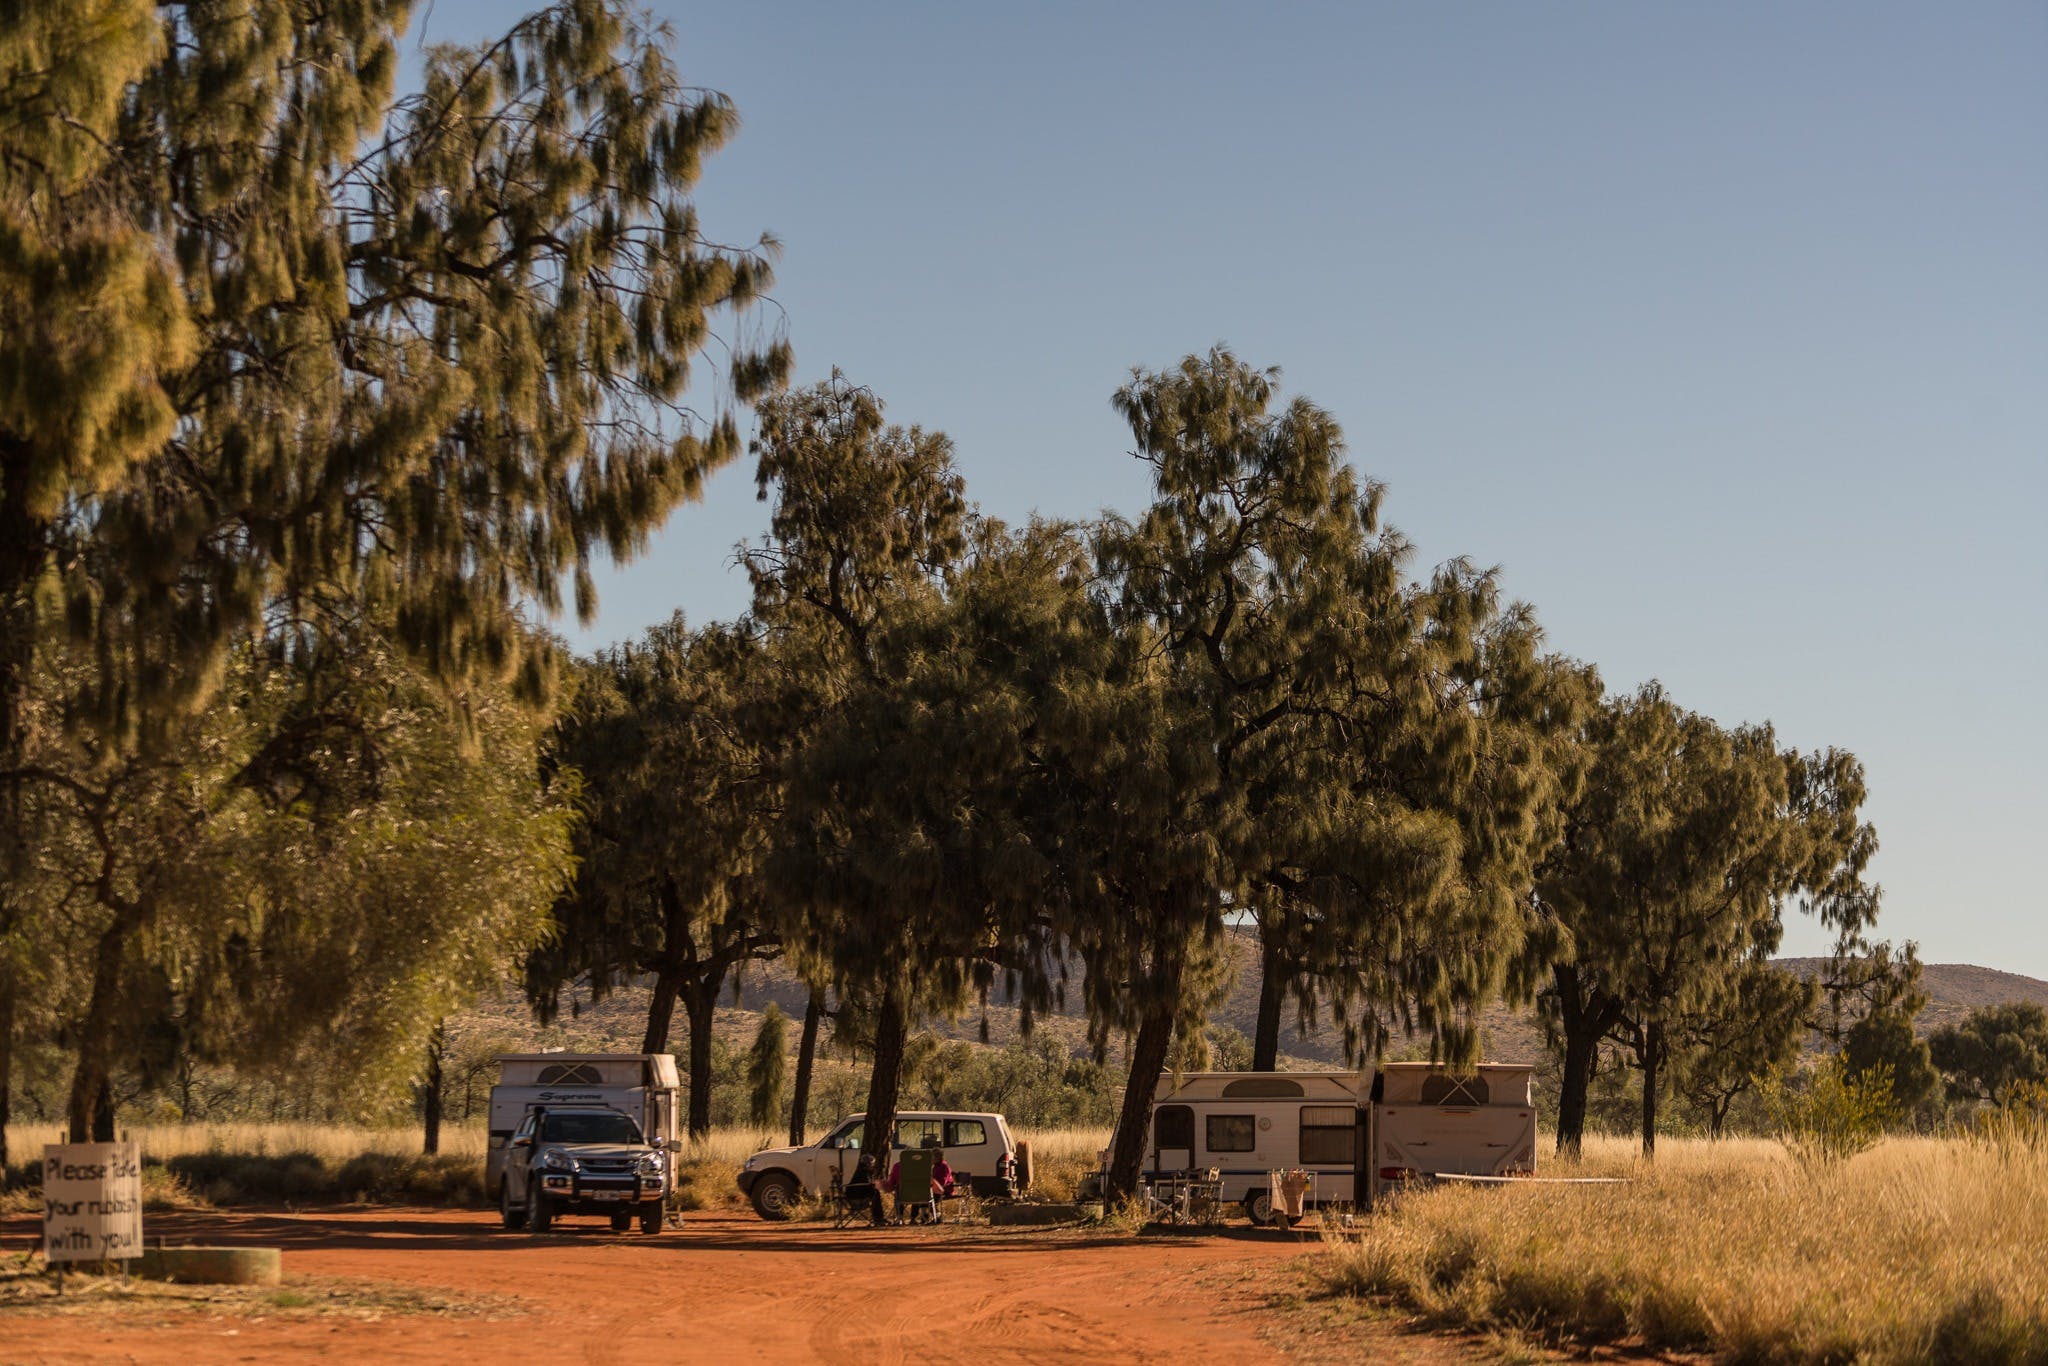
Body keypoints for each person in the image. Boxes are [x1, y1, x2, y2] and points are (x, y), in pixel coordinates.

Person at [841, 1151, 886, 1226]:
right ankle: (878, 1219)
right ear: (867, 1164)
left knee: (875, 1192)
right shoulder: (864, 1173)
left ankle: (878, 1218)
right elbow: (867, 1187)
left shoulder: (860, 1172)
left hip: (852, 1198)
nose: (873, 1166)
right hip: (858, 1200)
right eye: (872, 1164)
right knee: (875, 1193)